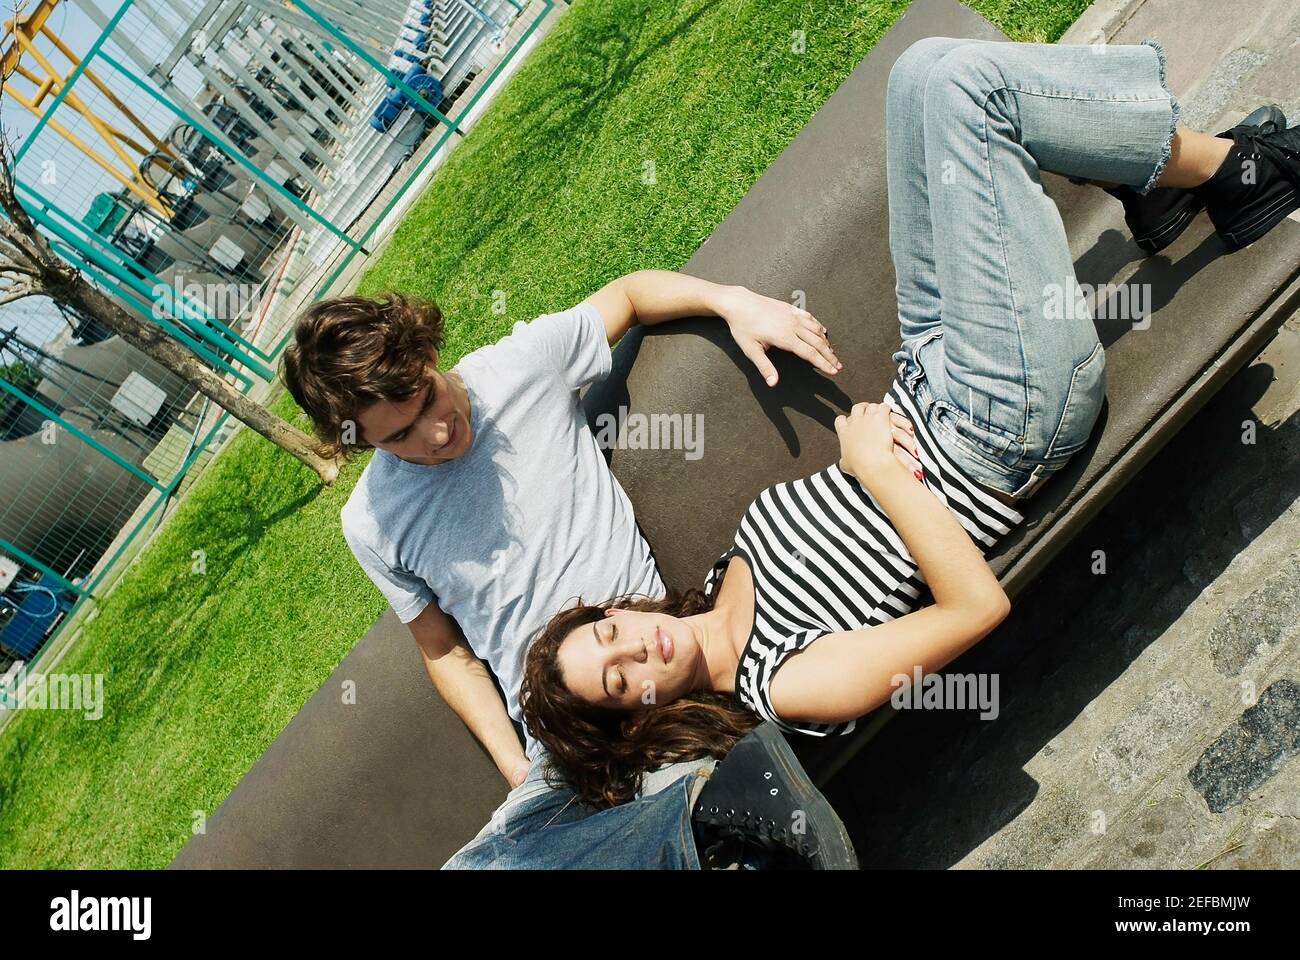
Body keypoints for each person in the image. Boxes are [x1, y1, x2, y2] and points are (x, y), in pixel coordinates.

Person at [519, 36, 1299, 807]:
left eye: (610, 633)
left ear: (615, 610)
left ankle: (1169, 173)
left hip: (932, 370)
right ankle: (1230, 170)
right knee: (970, 94)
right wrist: (883, 473)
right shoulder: (787, 687)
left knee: (921, 76)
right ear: (639, 723)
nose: (637, 648)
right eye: (621, 682)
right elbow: (975, 607)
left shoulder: (717, 587)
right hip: (1003, 424)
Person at [281, 269, 856, 868]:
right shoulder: (372, 523)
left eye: (427, 397)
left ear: (426, 352)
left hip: (641, 689)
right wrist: (517, 768)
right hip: (556, 750)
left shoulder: (524, 366)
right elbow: (444, 653)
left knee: (675, 827)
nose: (438, 430)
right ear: (359, 441)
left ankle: (718, 810)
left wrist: (732, 300)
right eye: (401, 436)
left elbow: (630, 297)